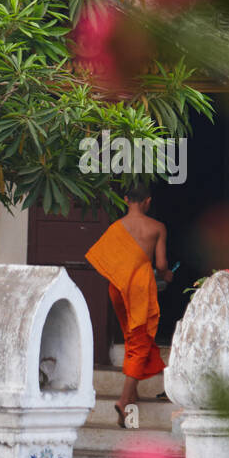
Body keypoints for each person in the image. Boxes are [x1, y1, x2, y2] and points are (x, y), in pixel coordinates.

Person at [85, 181, 174, 426]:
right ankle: (124, 401)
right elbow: (162, 265)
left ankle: (132, 392)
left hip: (119, 288)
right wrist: (166, 276)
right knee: (140, 340)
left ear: (126, 200)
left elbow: (107, 260)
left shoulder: (116, 228)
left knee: (130, 336)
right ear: (148, 201)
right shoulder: (157, 227)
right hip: (140, 287)